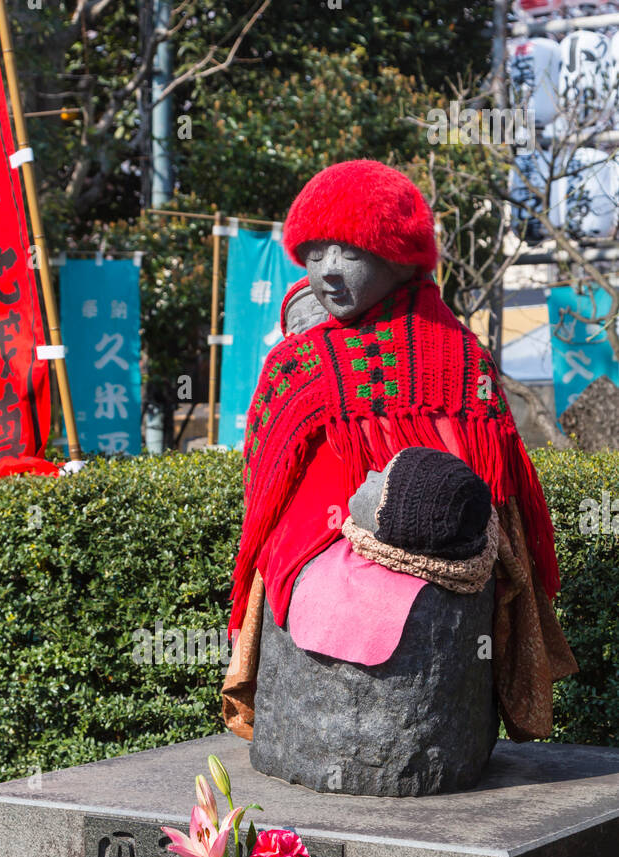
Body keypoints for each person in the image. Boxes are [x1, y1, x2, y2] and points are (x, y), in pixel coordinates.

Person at [222, 160, 576, 744]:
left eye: (351, 254)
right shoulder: (309, 357)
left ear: (398, 258)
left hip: (432, 581)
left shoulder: (459, 357)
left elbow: (493, 485)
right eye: (315, 253)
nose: (329, 273)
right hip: (377, 582)